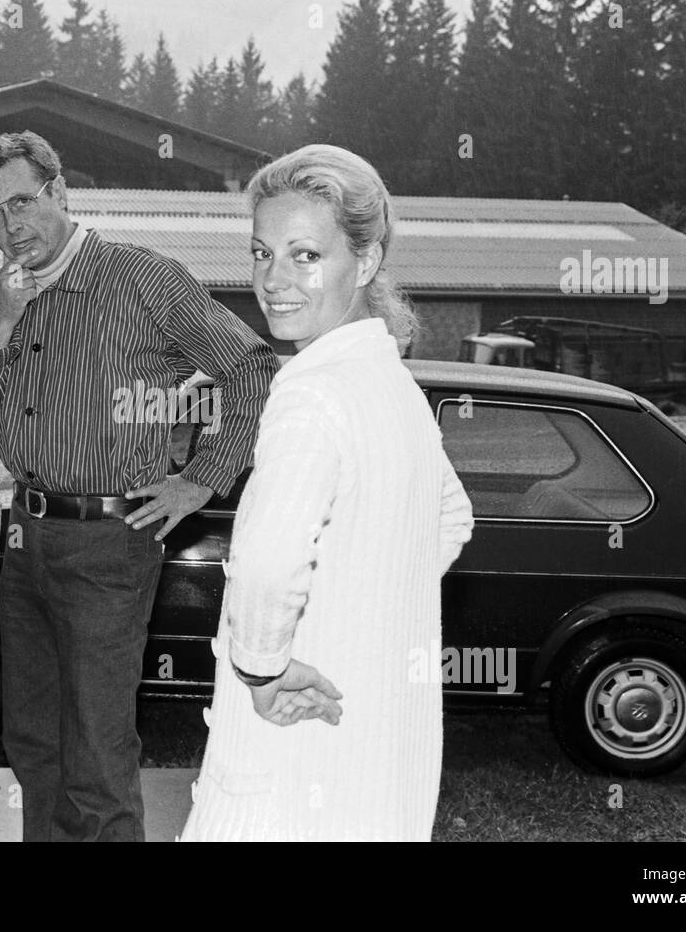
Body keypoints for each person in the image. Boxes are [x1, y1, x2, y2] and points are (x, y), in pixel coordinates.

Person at [0, 131, 280, 842]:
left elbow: (248, 367)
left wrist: (201, 480)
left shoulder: (140, 279)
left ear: (60, 191)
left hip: (108, 544)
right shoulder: (6, 296)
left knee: (96, 754)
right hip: (24, 539)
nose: (10, 226)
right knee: (34, 743)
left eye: (22, 203)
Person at [180, 145, 475, 841]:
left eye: (305, 255)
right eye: (260, 252)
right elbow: (452, 518)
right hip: (377, 749)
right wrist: (358, 622)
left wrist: (261, 667)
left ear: (365, 263)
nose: (273, 279)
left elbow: (266, 561)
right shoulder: (390, 383)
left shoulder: (311, 394)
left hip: (289, 763)